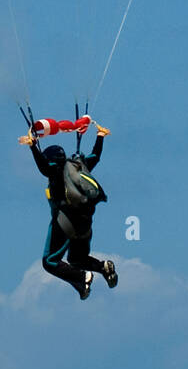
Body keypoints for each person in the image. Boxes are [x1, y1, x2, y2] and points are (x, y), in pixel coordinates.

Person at [19, 117, 118, 300]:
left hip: (65, 221)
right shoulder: (79, 166)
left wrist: (33, 146)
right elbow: (95, 156)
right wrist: (100, 136)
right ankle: (102, 267)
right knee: (77, 259)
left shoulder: (54, 171)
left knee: (50, 261)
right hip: (85, 223)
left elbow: (42, 166)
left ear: (51, 160)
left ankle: (82, 277)